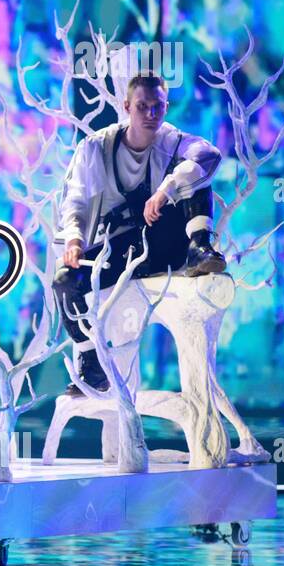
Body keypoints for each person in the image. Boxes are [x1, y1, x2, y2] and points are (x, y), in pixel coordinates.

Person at [53, 71, 227, 395]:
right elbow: (75, 199)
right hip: (123, 249)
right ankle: (92, 362)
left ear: (165, 106)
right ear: (127, 106)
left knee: (196, 173)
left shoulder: (171, 140)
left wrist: (166, 189)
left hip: (169, 242)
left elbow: (210, 155)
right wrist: (75, 239)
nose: (151, 115)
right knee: (65, 282)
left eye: (158, 107)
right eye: (142, 106)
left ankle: (200, 248)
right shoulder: (96, 148)